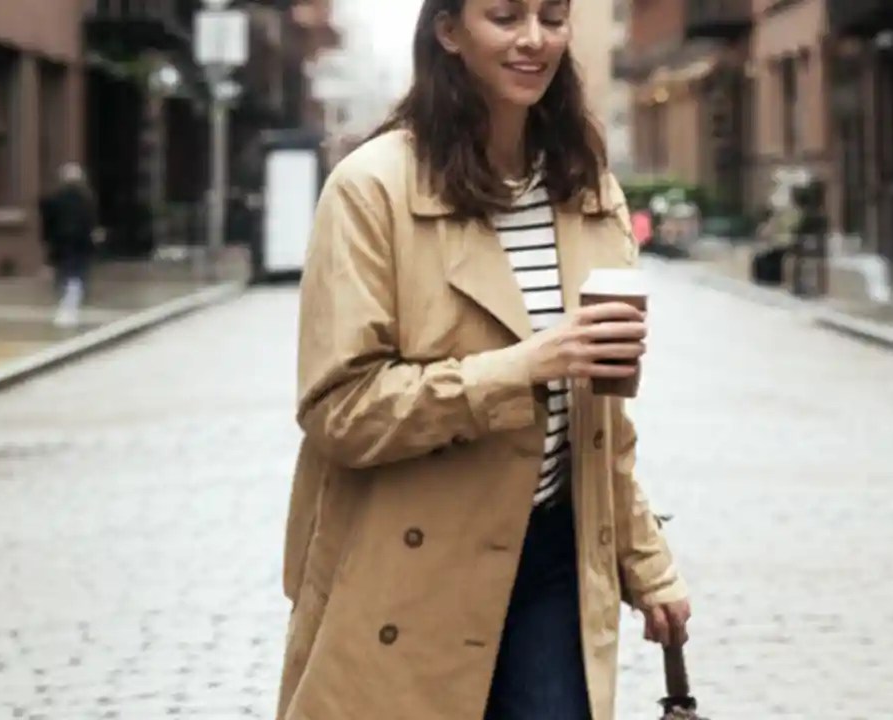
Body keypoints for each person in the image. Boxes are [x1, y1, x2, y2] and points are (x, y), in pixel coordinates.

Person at [277, 1, 691, 719]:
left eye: (552, 17)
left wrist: (646, 563)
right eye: (504, 16)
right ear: (448, 30)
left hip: (553, 564)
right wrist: (520, 368)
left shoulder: (586, 189)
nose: (534, 40)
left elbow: (602, 426)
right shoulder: (371, 188)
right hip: (411, 572)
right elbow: (338, 410)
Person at [39, 162, 98, 328]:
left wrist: (48, 245)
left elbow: (48, 225)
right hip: (80, 244)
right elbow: (90, 223)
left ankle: (65, 306)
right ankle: (71, 308)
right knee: (77, 276)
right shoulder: (87, 199)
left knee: (63, 275)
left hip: (61, 244)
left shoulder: (54, 199)